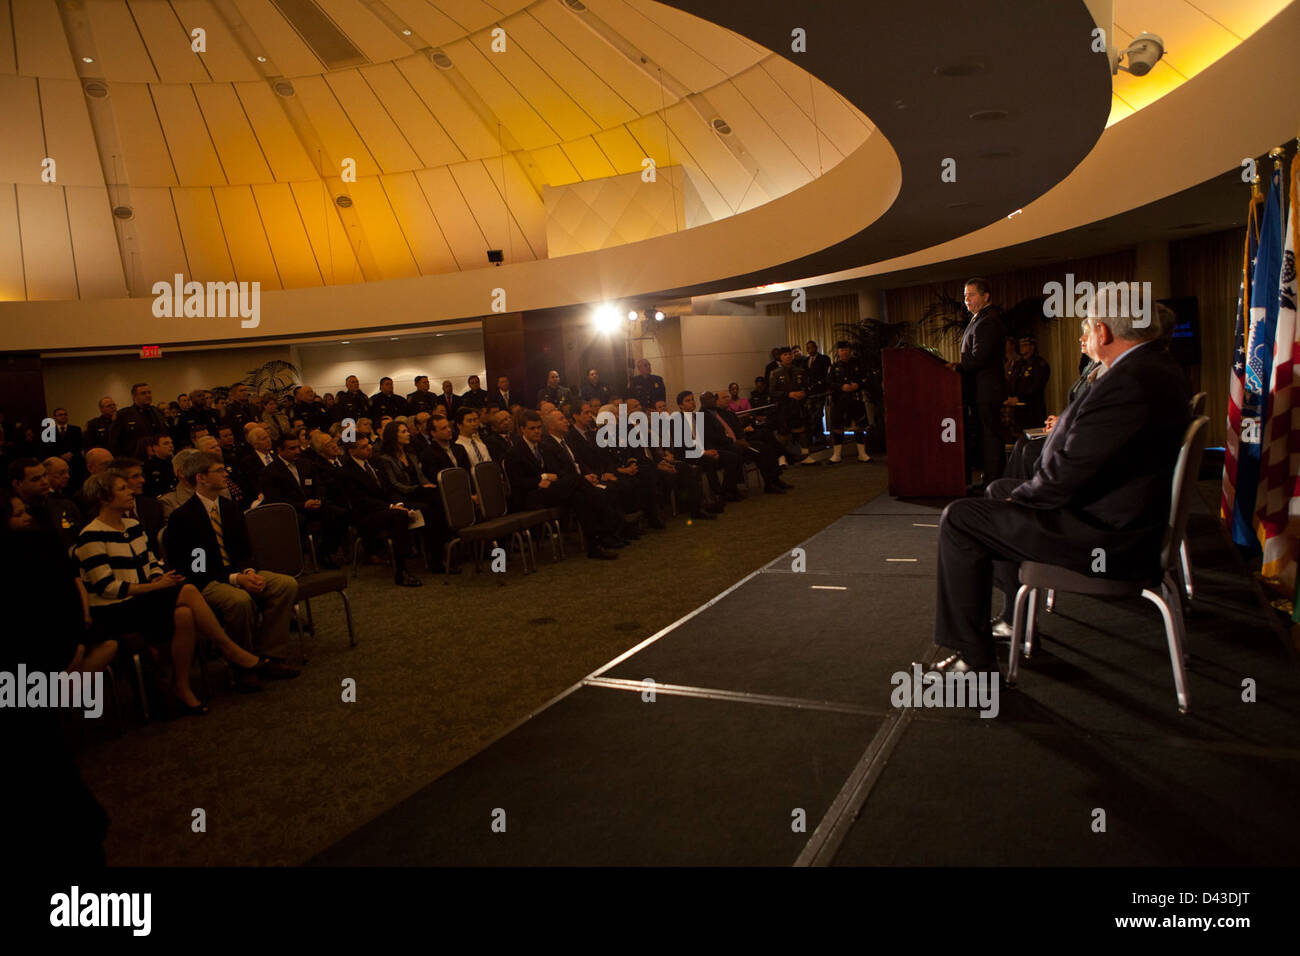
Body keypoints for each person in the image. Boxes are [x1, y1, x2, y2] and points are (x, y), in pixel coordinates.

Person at [928, 303, 1189, 676]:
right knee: (999, 487)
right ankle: (1010, 619)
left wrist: (1019, 498)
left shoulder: (1128, 382)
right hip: (1122, 517)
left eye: (1087, 328)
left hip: (1109, 537)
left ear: (1102, 332)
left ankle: (974, 660)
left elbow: (1065, 476)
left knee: (960, 518)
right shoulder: (1154, 368)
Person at [76, 471, 296, 710]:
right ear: (104, 498)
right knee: (194, 591)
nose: (131, 491)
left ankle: (182, 686)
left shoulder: (132, 525)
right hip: (113, 610)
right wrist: (157, 586)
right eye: (122, 489)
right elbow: (107, 588)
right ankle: (233, 652)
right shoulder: (91, 535)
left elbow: (150, 563)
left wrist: (160, 578)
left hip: (143, 599)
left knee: (185, 614)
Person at [164, 452, 302, 652]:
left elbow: (244, 549)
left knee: (285, 584)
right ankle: (243, 660)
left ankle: (271, 651)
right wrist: (236, 579)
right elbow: (197, 568)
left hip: (236, 571)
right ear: (200, 478)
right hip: (206, 580)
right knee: (240, 601)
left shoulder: (230, 508)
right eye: (219, 471)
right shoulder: (184, 517)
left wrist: (248, 571)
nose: (225, 474)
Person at [504, 411, 618, 560]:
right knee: (578, 482)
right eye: (532, 428)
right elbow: (517, 483)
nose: (537, 431)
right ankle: (607, 531)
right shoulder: (515, 453)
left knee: (579, 497)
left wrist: (551, 478)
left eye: (539, 427)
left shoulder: (543, 447)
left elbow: (557, 472)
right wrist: (541, 478)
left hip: (550, 490)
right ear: (522, 429)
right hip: (530, 497)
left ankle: (594, 544)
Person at [335, 436, 424, 586]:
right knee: (399, 516)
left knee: (423, 506)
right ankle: (401, 571)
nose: (369, 448)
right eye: (363, 447)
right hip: (366, 515)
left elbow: (390, 488)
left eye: (368, 444)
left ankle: (434, 558)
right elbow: (361, 500)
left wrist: (398, 503)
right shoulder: (346, 472)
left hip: (387, 508)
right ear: (352, 451)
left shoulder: (375, 463)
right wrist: (390, 507)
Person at [947, 277, 1006, 490]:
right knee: (985, 435)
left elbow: (979, 357)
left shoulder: (989, 320)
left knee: (990, 436)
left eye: (971, 295)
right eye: (965, 296)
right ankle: (989, 479)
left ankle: (993, 481)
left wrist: (958, 366)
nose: (966, 300)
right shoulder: (978, 319)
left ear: (986, 296)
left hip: (987, 389)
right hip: (980, 388)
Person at [826, 341, 872, 463]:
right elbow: (829, 382)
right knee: (837, 428)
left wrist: (858, 385)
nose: (844, 352)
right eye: (842, 350)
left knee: (859, 427)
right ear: (838, 352)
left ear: (849, 351)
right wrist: (841, 387)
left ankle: (862, 454)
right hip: (839, 401)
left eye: (846, 350)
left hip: (855, 400)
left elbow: (866, 378)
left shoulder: (858, 364)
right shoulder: (834, 366)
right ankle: (837, 455)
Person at [768, 347, 811, 457]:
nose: (788, 356)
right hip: (783, 407)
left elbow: (806, 387)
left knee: (802, 432)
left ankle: (806, 455)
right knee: (783, 434)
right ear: (780, 357)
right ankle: (782, 458)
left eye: (789, 354)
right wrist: (788, 394)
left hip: (798, 406)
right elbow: (772, 392)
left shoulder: (800, 371)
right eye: (785, 355)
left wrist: (803, 393)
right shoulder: (775, 373)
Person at [109, 383, 167, 456]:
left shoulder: (158, 412)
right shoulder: (124, 415)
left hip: (158, 457)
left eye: (149, 393)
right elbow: (114, 442)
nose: (148, 395)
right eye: (143, 393)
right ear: (134, 397)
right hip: (135, 458)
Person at [1010, 335, 1051, 429]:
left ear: (1032, 346)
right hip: (1017, 410)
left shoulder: (1039, 364)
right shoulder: (1018, 364)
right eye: (1020, 344)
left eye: (1025, 344)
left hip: (1033, 409)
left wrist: (1020, 397)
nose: (1021, 347)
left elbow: (1036, 386)